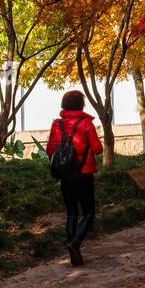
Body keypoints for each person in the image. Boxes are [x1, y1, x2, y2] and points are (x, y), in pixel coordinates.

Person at [44, 90, 104, 266]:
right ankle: (74, 244)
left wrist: (64, 162)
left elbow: (50, 150)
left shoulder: (57, 124)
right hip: (84, 174)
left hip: (65, 175)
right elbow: (97, 148)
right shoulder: (86, 124)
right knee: (89, 212)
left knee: (71, 213)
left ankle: (73, 251)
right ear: (81, 105)